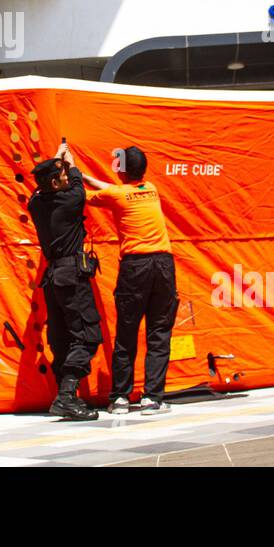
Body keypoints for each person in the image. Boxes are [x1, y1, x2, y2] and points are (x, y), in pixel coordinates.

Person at [79, 144, 176, 415]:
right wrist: (85, 174)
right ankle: (152, 399)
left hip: (136, 267)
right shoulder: (151, 190)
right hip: (163, 266)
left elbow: (89, 195)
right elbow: (112, 188)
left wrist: (74, 174)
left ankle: (120, 397)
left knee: (127, 332)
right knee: (159, 332)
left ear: (121, 171)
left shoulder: (116, 195)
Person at [27, 141, 101, 421]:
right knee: (86, 335)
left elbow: (41, 189)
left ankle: (64, 394)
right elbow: (78, 182)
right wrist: (68, 160)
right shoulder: (70, 199)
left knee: (62, 339)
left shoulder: (35, 204)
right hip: (72, 276)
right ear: (57, 181)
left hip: (53, 279)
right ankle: (67, 396)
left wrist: (57, 161)